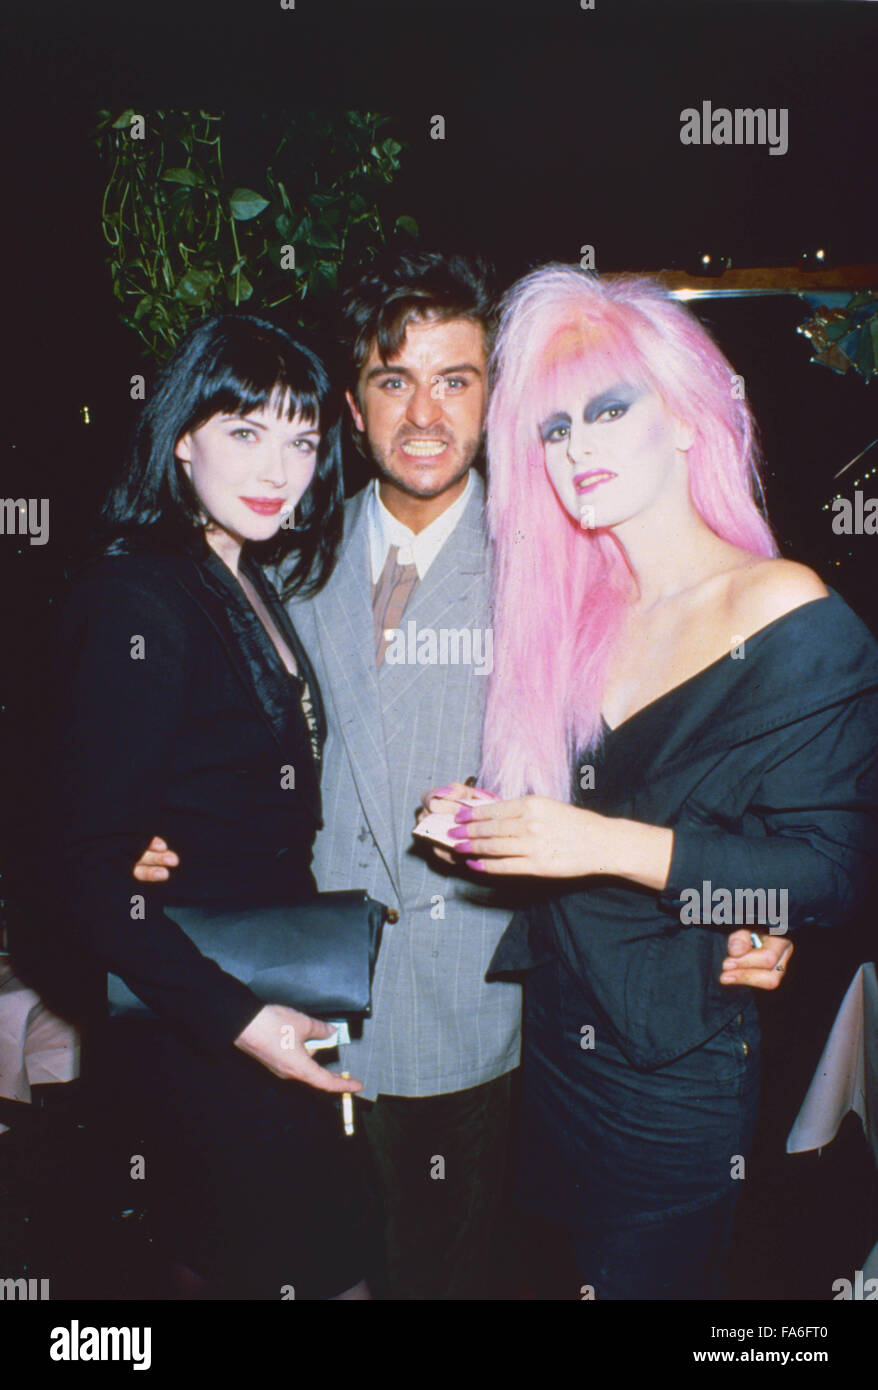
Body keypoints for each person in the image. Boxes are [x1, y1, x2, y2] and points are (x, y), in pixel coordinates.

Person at [134, 253, 793, 1300]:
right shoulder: (290, 550)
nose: (425, 412)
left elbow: (684, 754)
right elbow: (204, 728)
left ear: (496, 399)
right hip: (293, 990)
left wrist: (749, 900)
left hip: (466, 1003)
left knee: (440, 1275)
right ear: (351, 407)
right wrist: (151, 825)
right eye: (394, 381)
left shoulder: (565, 564)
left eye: (456, 379)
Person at [423, 264, 878, 1299]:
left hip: (673, 1066)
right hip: (558, 1042)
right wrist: (477, 813)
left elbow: (834, 873)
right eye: (550, 428)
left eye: (606, 409)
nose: (575, 447)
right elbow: (599, 801)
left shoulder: (781, 610)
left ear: (683, 417)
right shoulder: (575, 613)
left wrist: (600, 845)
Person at [38, 314, 375, 1300]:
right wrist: (242, 1022)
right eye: (244, 430)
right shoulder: (141, 595)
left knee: (282, 1260)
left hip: (254, 993)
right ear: (181, 433)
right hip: (208, 1016)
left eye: (302, 439)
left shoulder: (237, 568)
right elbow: (86, 877)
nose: (279, 465)